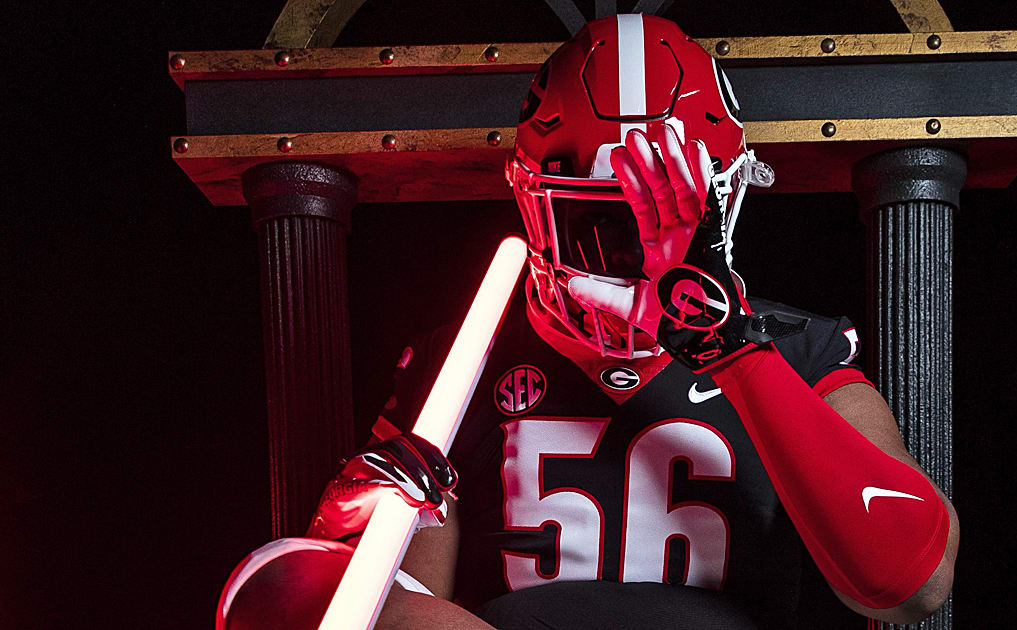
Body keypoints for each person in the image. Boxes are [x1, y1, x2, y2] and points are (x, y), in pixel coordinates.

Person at [219, 14, 958, 630]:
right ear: (532, 200)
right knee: (273, 585)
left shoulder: (795, 348)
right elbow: (391, 607)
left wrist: (731, 348)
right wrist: (343, 529)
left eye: (673, 220)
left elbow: (912, 585)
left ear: (724, 204)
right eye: (598, 226)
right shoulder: (464, 362)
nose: (636, 260)